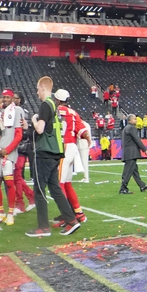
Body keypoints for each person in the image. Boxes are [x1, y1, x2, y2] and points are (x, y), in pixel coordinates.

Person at [26, 77, 81, 238]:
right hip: (55, 152)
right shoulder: (55, 106)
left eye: (38, 89)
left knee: (39, 190)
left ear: (43, 88)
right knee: (55, 189)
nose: (36, 92)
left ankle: (43, 227)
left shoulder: (45, 105)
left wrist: (33, 120)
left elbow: (41, 129)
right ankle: (72, 220)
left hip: (45, 152)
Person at [0, 89, 24, 227]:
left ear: (12, 98)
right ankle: (0, 213)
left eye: (8, 97)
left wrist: (7, 149)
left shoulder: (17, 110)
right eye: (4, 97)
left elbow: (19, 135)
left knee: (9, 183)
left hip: (7, 153)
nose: (6, 99)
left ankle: (10, 213)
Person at [55, 90, 86, 223]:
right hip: (72, 147)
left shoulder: (58, 111)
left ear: (57, 99)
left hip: (64, 146)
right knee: (67, 183)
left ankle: (67, 215)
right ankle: (79, 213)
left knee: (60, 184)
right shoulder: (74, 113)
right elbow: (83, 131)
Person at [120, 114, 147, 194]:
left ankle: (142, 186)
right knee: (128, 172)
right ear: (130, 120)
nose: (136, 120)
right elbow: (137, 140)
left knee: (134, 171)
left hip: (128, 152)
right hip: (131, 153)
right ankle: (123, 188)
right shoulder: (131, 128)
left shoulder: (125, 128)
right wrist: (145, 150)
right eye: (134, 119)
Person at [77, 117, 92, 184]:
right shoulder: (85, 124)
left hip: (83, 144)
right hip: (82, 144)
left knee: (84, 161)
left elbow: (84, 134)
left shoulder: (84, 124)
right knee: (83, 161)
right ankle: (85, 177)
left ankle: (86, 178)